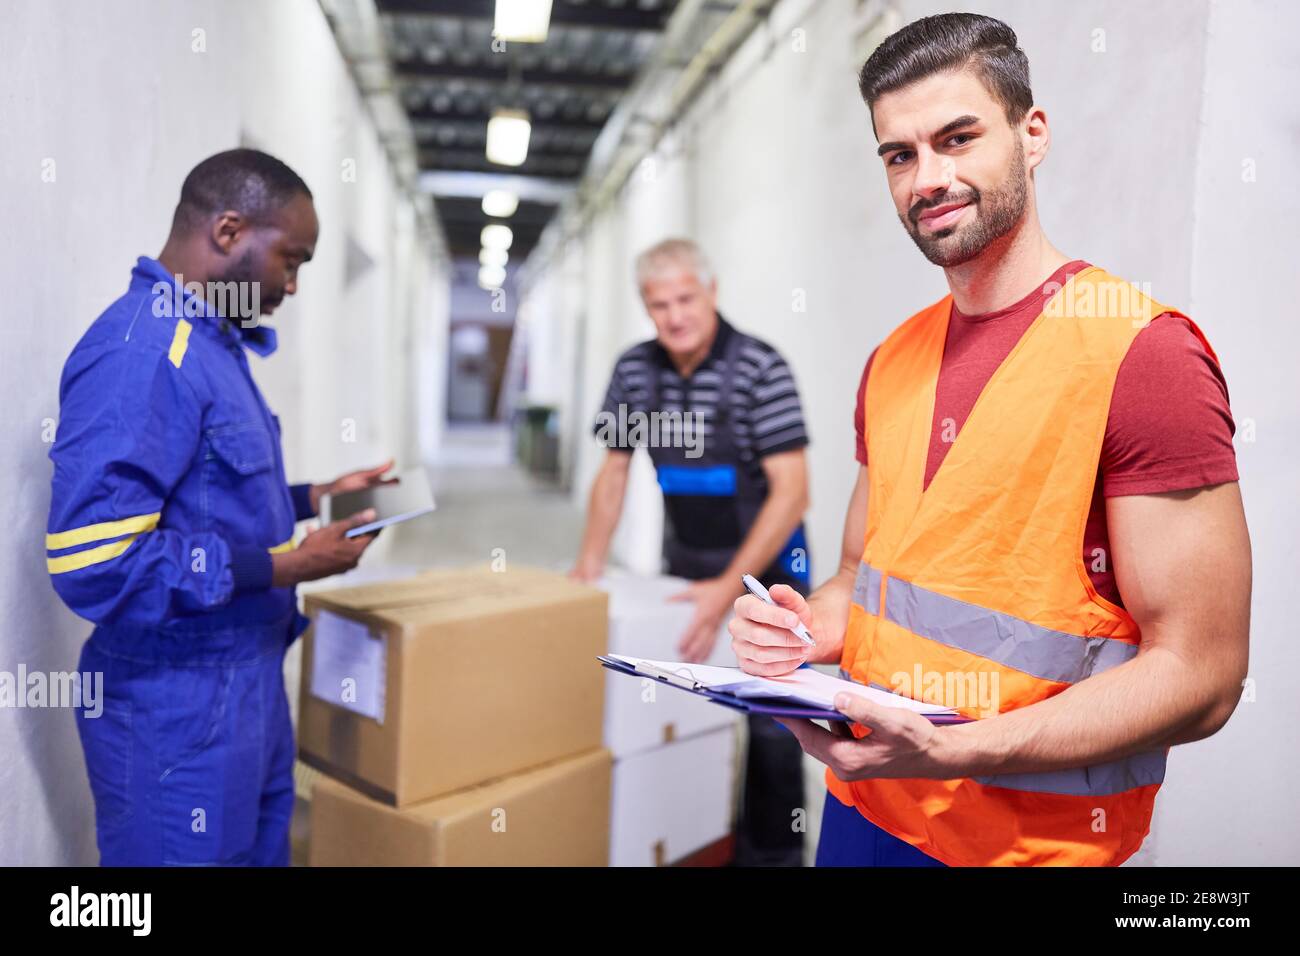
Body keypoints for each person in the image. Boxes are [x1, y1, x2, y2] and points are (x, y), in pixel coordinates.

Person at [729, 13, 1251, 867]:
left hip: (1024, 849)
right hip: (862, 811)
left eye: (957, 138)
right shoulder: (892, 360)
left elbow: (1202, 676)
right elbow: (861, 577)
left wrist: (956, 749)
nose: (929, 177)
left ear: (1031, 132)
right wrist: (804, 627)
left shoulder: (1142, 355)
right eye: (900, 155)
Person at [47, 148, 394, 866]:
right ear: (230, 231)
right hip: (173, 708)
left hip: (248, 684)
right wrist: (284, 565)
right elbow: (94, 561)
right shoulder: (144, 350)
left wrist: (316, 498)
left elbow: (202, 495)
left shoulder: (213, 344)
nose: (293, 286)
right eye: (291, 260)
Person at [572, 238, 811, 866]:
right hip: (687, 558)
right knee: (682, 706)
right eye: (658, 305)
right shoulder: (634, 371)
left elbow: (792, 493)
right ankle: (686, 839)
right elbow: (615, 473)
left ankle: (772, 857)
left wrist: (729, 586)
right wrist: (588, 568)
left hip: (770, 573)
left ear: (711, 293)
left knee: (773, 719)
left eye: (685, 298)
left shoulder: (760, 368)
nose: (674, 316)